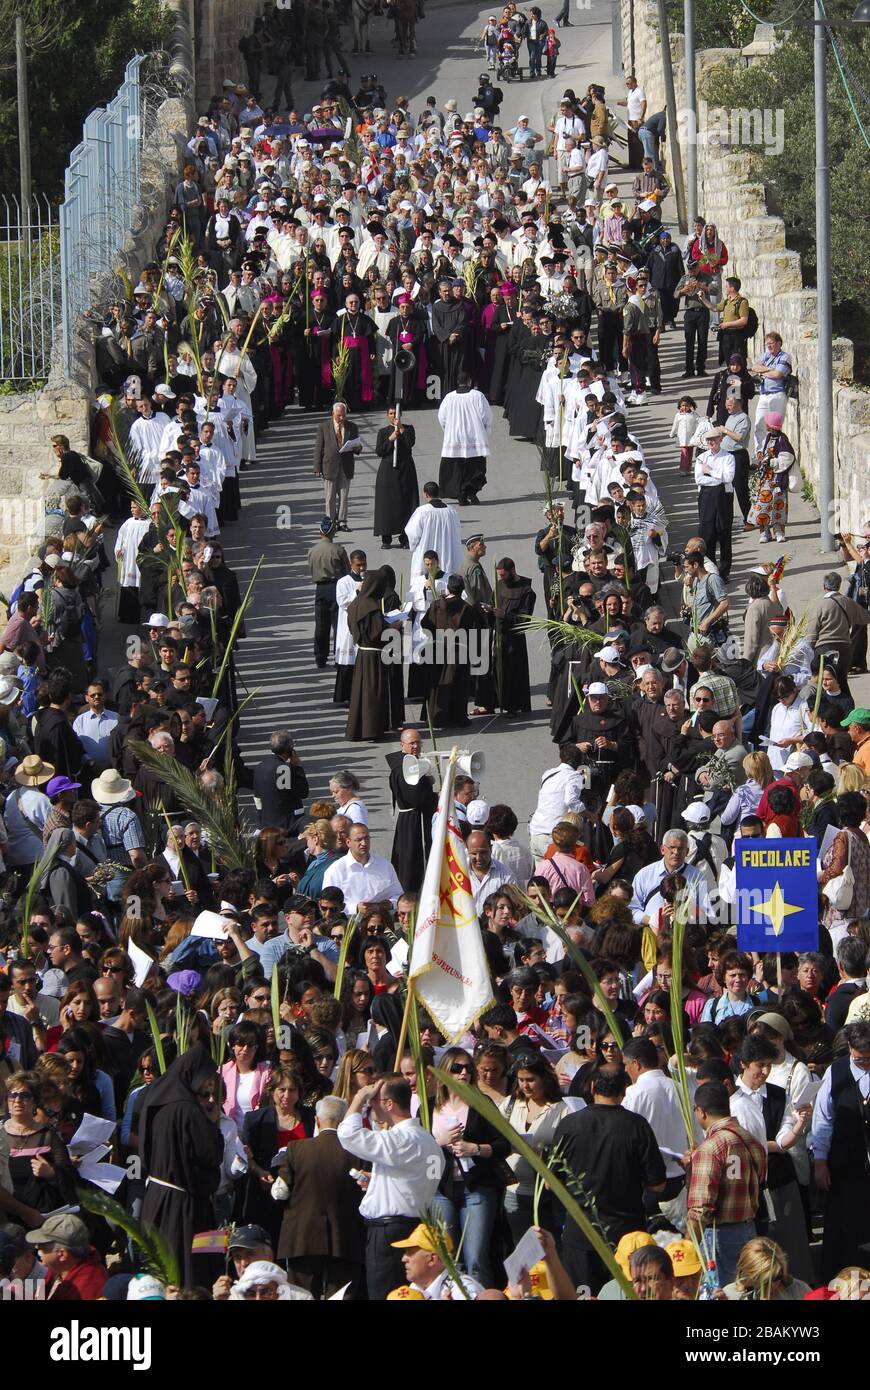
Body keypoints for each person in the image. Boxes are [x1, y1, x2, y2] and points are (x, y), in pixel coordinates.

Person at [554, 1068, 666, 1293]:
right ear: (624, 1091)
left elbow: (551, 1182)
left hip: (581, 1234)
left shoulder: (569, 1125)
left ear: (592, 1088)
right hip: (627, 1236)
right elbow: (658, 1184)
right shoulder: (637, 1126)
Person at [336, 1074, 445, 1300]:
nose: (369, 1105)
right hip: (416, 1224)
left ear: (389, 1104)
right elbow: (421, 1178)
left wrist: (358, 1098)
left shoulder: (402, 1139)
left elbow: (347, 1134)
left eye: (373, 1100)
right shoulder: (429, 1141)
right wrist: (379, 1182)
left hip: (389, 1233)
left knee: (385, 1294)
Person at [139, 1044, 224, 1289]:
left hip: (155, 1198)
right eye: (207, 1077)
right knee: (188, 1271)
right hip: (183, 1207)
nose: (209, 1084)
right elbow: (211, 1154)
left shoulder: (155, 1099)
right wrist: (212, 1123)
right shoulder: (188, 1110)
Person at [274, 1094, 365, 1299]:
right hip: (345, 1236)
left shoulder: (296, 1148)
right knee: (341, 1294)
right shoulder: (356, 1151)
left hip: (302, 1235)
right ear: (343, 1121)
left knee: (300, 1294)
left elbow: (280, 1192)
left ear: (317, 1120)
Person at [686, 1080, 767, 1287]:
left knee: (721, 1291)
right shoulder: (751, 1141)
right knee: (746, 1290)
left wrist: (687, 1244)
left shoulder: (710, 1148)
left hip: (719, 1236)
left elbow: (700, 1208)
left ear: (701, 1112)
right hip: (748, 1229)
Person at [811, 1020, 870, 1278]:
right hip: (845, 1164)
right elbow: (823, 1119)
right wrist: (820, 1161)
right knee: (844, 1230)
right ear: (849, 1049)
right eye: (860, 1060)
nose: (865, 1064)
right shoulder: (836, 1072)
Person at [386, 727, 438, 895]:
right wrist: (428, 783)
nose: (416, 746)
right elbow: (415, 798)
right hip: (412, 819)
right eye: (411, 743)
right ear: (402, 745)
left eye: (418, 742)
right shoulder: (402, 768)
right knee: (412, 859)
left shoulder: (412, 761)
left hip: (415, 817)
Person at [437, 372, 493, 506]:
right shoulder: (477, 396)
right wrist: (486, 431)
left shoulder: (449, 397)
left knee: (457, 468)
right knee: (476, 467)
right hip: (474, 437)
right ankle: (470, 491)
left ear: (457, 382)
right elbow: (486, 415)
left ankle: (461, 493)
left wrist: (448, 430)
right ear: (469, 382)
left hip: (455, 438)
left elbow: (441, 417)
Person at [307, 517, 351, 669]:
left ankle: (320, 658)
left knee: (321, 625)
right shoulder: (339, 550)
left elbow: (311, 570)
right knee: (338, 625)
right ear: (333, 532)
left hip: (320, 590)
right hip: (336, 588)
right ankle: (338, 657)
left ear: (320, 532)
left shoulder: (312, 551)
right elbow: (347, 572)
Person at [373, 405, 420, 548]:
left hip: (405, 469)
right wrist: (390, 439)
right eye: (391, 413)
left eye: (396, 413)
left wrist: (400, 429)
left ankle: (405, 537)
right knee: (386, 504)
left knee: (406, 503)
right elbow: (380, 451)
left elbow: (409, 443)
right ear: (388, 415)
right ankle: (386, 538)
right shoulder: (383, 432)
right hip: (388, 470)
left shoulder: (408, 429)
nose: (394, 416)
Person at [313, 401, 361, 533]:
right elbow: (318, 448)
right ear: (333, 413)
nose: (341, 418)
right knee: (330, 497)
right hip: (329, 466)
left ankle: (342, 522)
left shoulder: (352, 427)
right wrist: (317, 467)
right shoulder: (324, 427)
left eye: (344, 415)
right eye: (339, 415)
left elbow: (358, 446)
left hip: (345, 466)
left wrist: (357, 447)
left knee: (344, 496)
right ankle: (330, 522)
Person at [252, 731, 310, 833]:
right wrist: (296, 767)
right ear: (289, 749)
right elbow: (302, 792)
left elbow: (258, 797)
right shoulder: (283, 769)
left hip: (267, 822)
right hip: (287, 824)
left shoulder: (260, 766)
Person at [405, 482, 463, 580]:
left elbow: (412, 532)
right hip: (447, 554)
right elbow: (457, 532)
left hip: (426, 553)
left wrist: (414, 546)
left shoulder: (422, 511)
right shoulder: (452, 511)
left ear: (426, 494)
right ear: (439, 493)